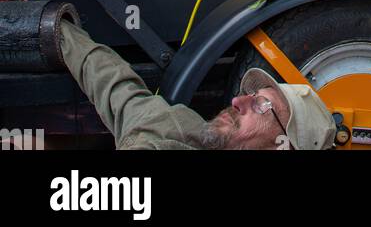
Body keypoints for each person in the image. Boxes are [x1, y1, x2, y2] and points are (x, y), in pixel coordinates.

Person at [58, 17, 335, 150]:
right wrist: (58, 29)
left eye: (263, 105)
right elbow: (115, 84)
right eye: (250, 94)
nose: (237, 102)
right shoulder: (174, 123)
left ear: (282, 144)